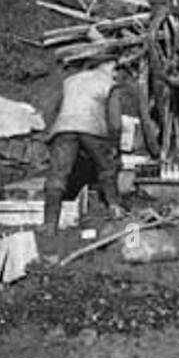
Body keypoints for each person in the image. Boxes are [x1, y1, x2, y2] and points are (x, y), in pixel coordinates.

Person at [42, 53, 126, 235]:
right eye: (115, 69)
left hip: (64, 127)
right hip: (92, 128)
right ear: (106, 67)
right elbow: (115, 122)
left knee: (57, 174)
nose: (116, 74)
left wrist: (50, 133)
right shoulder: (109, 85)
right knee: (107, 168)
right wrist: (114, 146)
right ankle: (115, 208)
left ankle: (49, 224)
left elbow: (52, 109)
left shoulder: (70, 81)